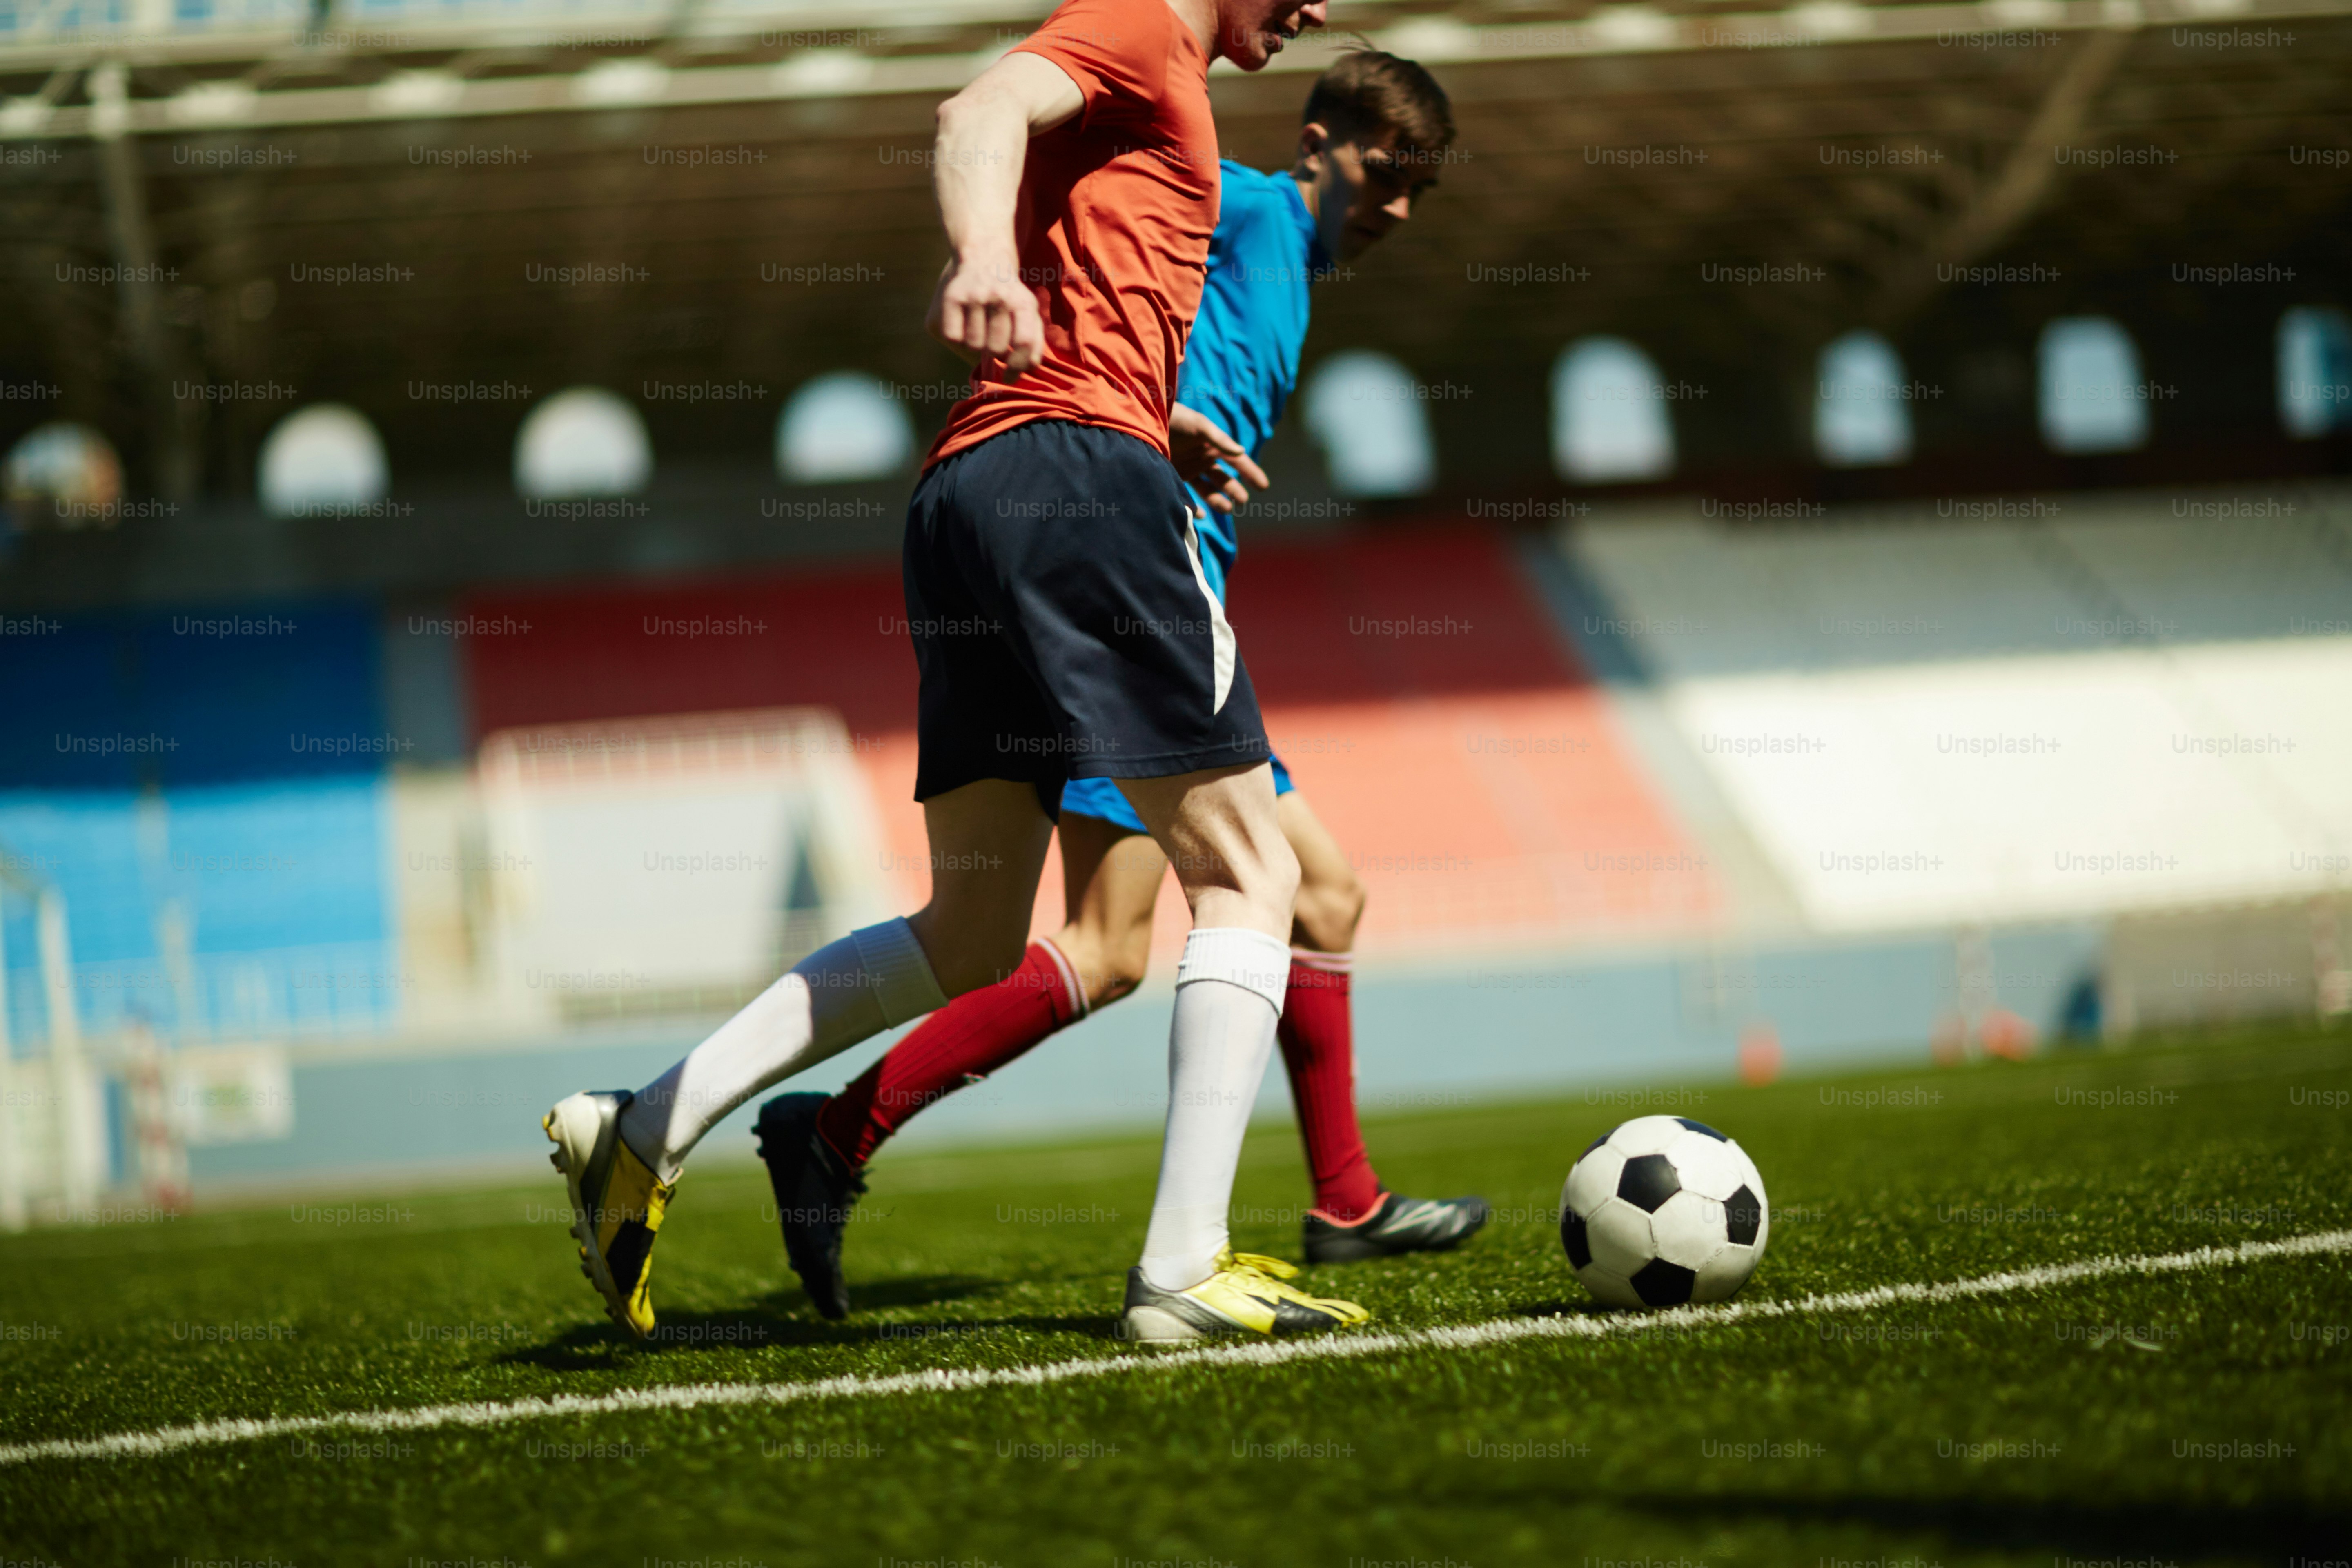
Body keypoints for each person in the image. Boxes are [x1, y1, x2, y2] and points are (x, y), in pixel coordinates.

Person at [542, 0, 1365, 1346]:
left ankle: (640, 1128)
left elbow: (1081, 257)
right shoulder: (1144, 26)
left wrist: (1163, 413)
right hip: (1079, 483)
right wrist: (985, 259)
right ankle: (1182, 1270)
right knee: (1252, 872)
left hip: (977, 493)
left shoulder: (1168, 85)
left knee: (973, 932)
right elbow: (976, 112)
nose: (1316, 11)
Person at [754, 51, 1486, 1325]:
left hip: (1166, 597)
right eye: (1387, 172)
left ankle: (1346, 1202)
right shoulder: (1243, 208)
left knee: (1321, 892)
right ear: (1321, 141)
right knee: (1109, 949)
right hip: (1124, 600)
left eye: (1423, 187)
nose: (1402, 207)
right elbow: (1100, 269)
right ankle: (836, 1135)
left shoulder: (1294, 267)